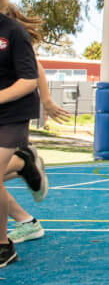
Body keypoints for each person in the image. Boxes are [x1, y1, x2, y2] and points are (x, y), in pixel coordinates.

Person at [5, 58, 70, 244]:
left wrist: (46, 99)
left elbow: (33, 63)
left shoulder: (12, 41)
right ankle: (26, 221)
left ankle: (23, 163)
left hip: (10, 108)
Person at [0, 0, 41, 267]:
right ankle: (23, 164)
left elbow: (30, 79)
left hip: (12, 114)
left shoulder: (13, 31)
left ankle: (4, 246)